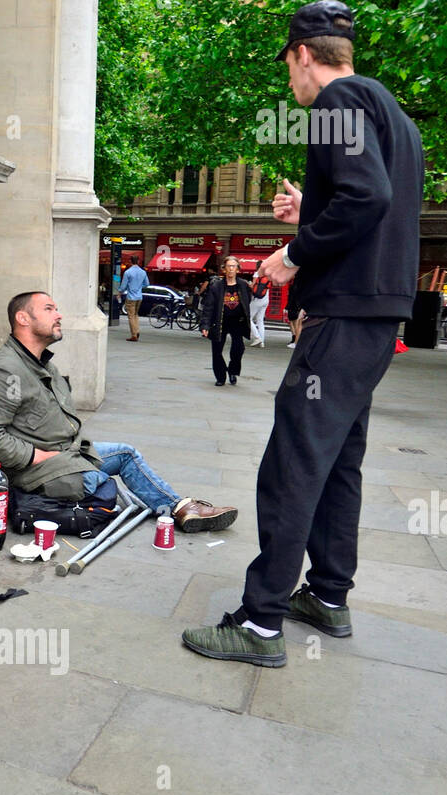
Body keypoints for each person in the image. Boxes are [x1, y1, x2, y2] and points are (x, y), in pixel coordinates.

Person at [182, 0, 424, 667]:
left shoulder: (338, 100)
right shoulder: (393, 114)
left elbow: (365, 198)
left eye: (287, 68)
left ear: (300, 55)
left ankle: (260, 625)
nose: (289, 85)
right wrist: (308, 209)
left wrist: (293, 253)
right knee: (339, 461)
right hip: (378, 313)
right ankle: (328, 595)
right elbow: (378, 199)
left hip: (343, 316)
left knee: (291, 465)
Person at [0, 291, 238, 531]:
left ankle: (179, 509)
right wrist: (36, 456)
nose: (59, 315)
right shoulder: (7, 370)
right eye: (49, 309)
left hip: (69, 454)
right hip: (41, 470)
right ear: (23, 319)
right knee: (99, 483)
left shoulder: (41, 365)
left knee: (125, 453)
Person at [199, 256, 254, 385]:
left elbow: (247, 301)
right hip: (220, 321)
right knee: (217, 350)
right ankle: (220, 376)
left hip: (237, 322)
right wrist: (205, 325)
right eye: (228, 266)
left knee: (238, 349)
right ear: (224, 269)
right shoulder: (216, 286)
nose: (231, 269)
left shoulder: (243, 285)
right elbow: (209, 307)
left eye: (233, 266)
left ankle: (232, 371)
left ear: (238, 269)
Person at [119, 259, 150, 340]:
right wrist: (139, 287)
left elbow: (123, 286)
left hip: (131, 297)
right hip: (139, 296)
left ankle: (134, 334)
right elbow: (147, 284)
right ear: (138, 262)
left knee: (131, 316)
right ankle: (137, 330)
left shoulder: (128, 272)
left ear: (130, 262)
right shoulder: (143, 272)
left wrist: (119, 292)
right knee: (136, 314)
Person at [248, 271, 271, 345]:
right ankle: (262, 342)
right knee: (260, 321)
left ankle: (257, 337)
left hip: (257, 300)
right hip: (266, 300)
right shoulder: (268, 274)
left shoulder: (257, 273)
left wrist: (248, 284)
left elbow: (253, 286)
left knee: (248, 318)